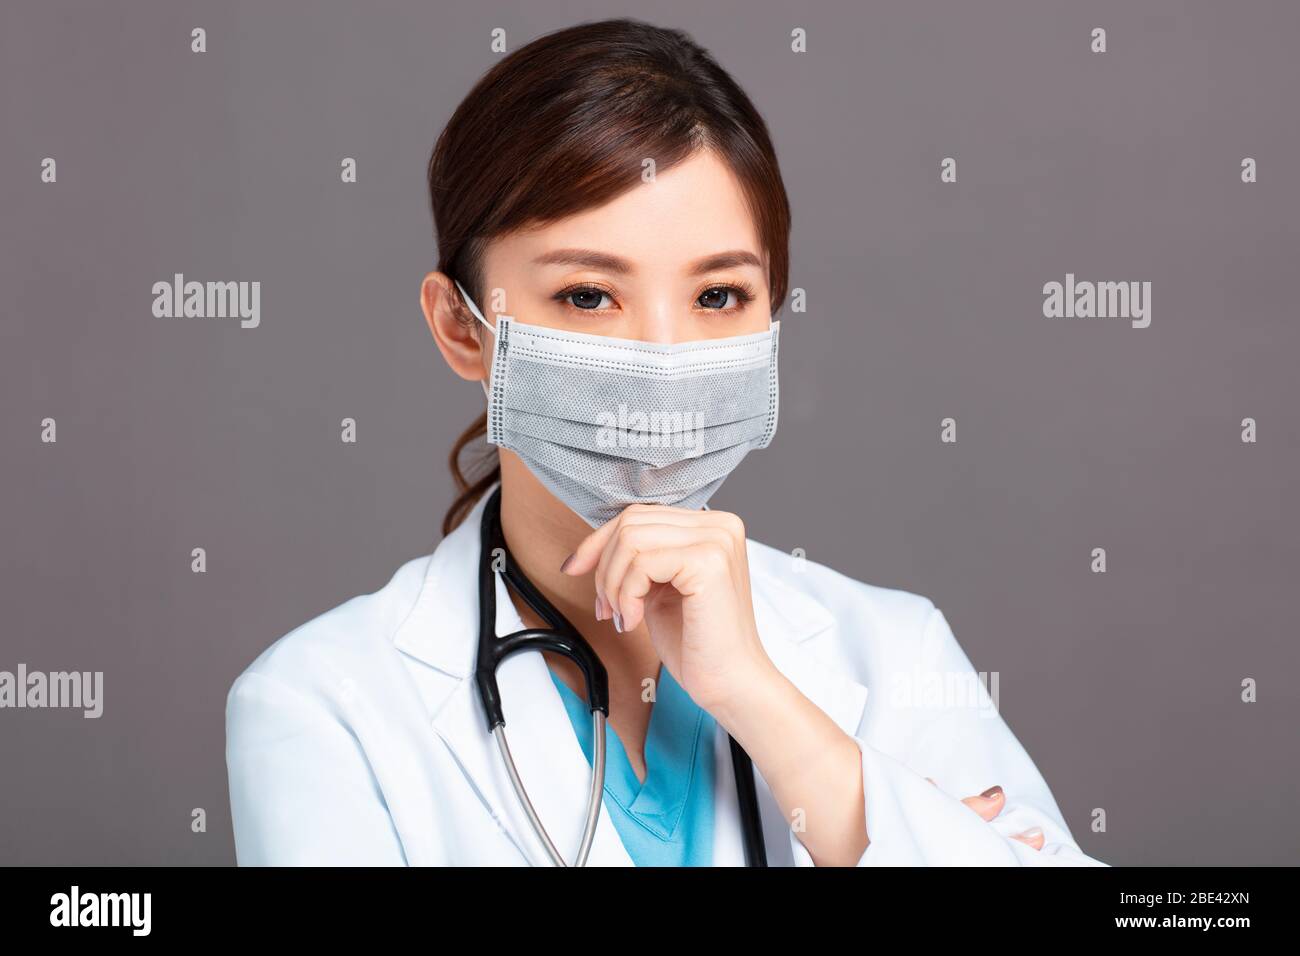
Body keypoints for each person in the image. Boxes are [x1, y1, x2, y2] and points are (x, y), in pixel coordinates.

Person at [224, 17, 1107, 867]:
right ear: (462, 330)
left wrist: (763, 703)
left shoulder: (892, 649)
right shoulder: (322, 705)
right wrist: (919, 833)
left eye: (719, 296)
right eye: (587, 295)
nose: (662, 358)